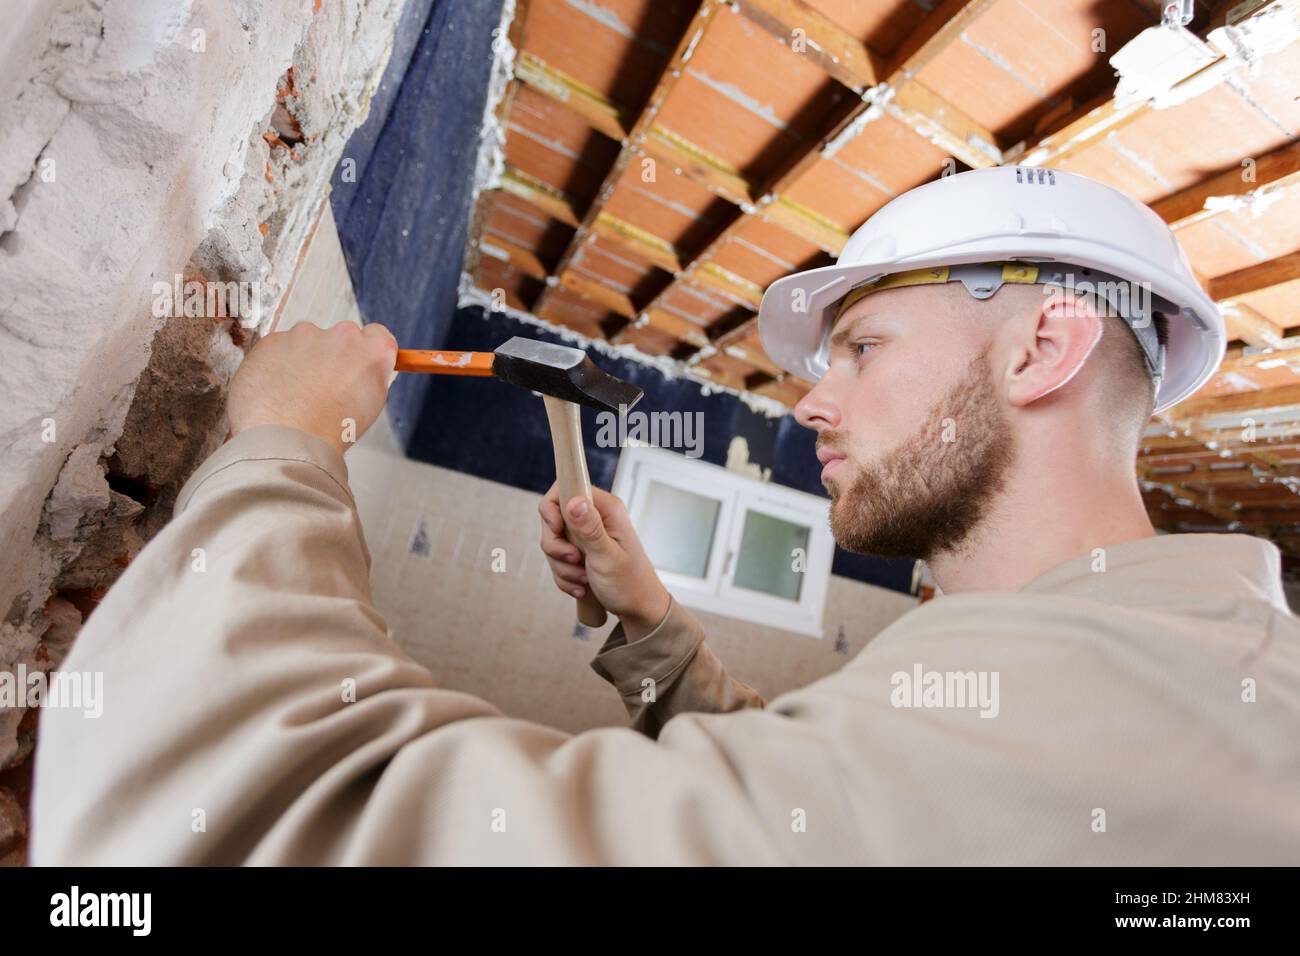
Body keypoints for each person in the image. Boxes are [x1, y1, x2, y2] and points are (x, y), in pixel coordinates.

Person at [32, 168, 1300, 865]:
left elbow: (264, 827)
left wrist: (282, 445)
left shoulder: (1107, 708)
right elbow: (807, 803)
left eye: (860, 344)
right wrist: (652, 630)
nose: (811, 400)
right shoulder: (1149, 676)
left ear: (1041, 345)